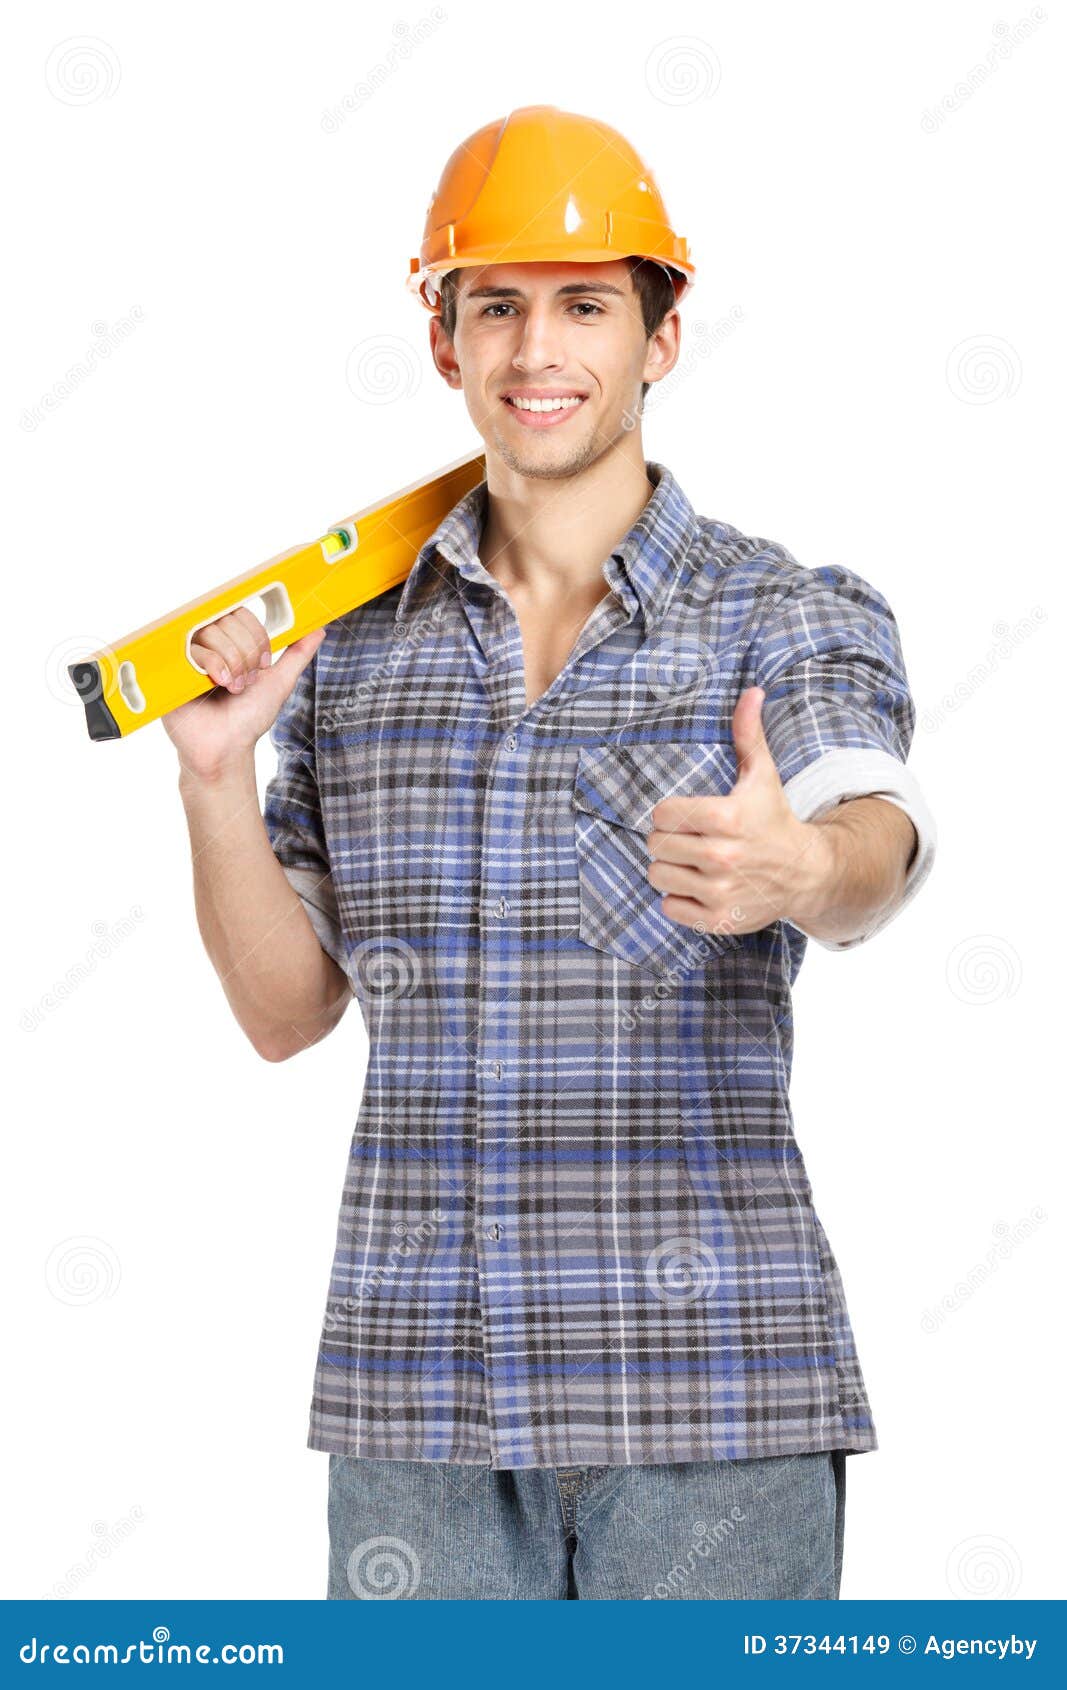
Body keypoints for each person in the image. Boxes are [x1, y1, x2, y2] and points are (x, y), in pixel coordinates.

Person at [164, 106, 936, 1600]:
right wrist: (215, 780)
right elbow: (282, 1013)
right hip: (421, 1417)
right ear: (442, 340)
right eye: (496, 306)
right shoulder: (349, 652)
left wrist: (801, 870)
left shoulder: (782, 612)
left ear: (661, 336)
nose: (537, 351)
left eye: (586, 304)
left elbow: (874, 830)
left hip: (714, 1411)